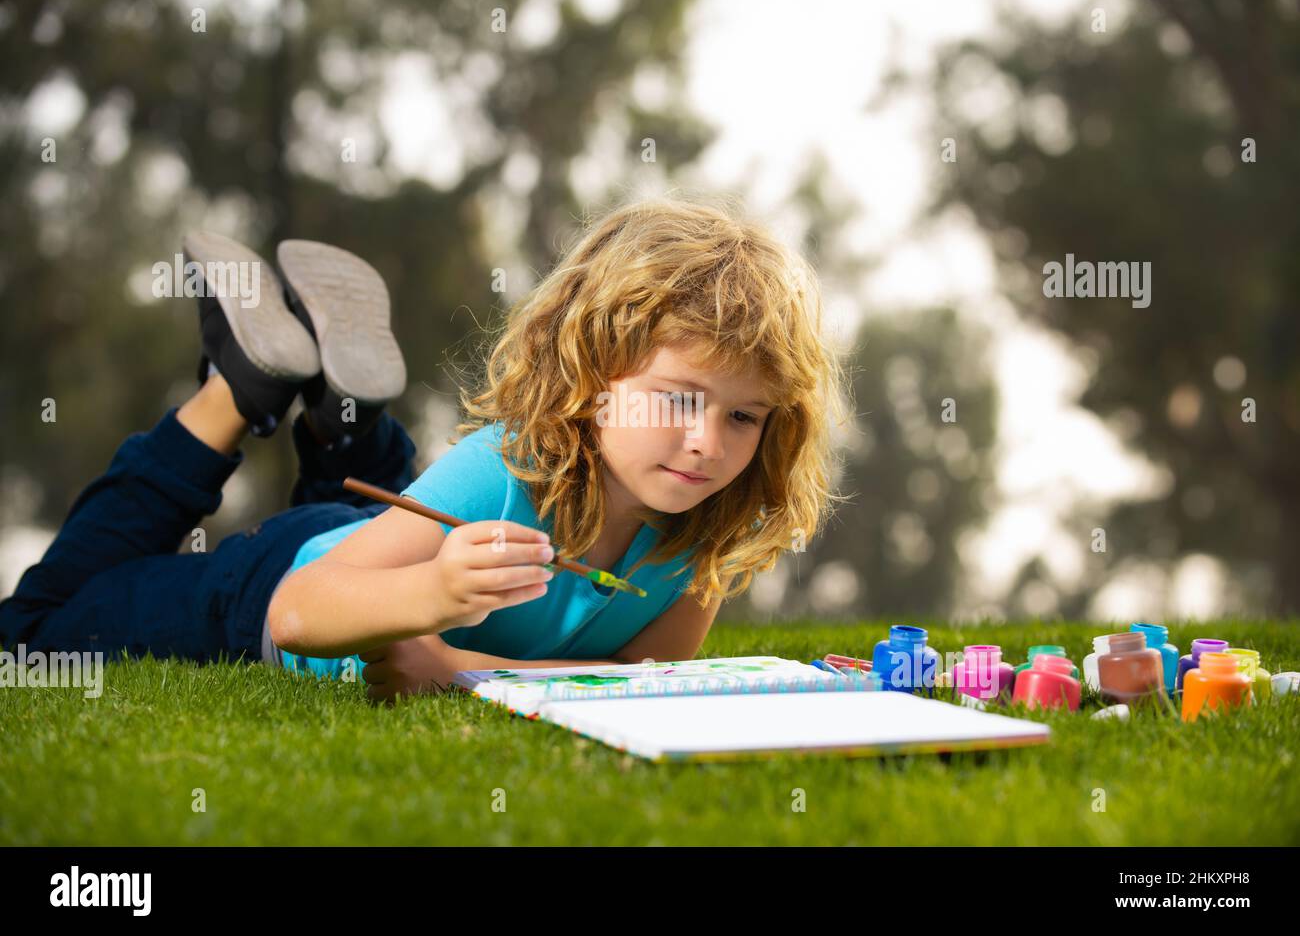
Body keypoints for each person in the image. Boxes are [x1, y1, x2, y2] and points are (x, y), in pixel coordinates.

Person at [1, 194, 851, 702]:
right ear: (595, 378)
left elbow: (635, 685)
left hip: (376, 527)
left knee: (378, 505)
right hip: (262, 588)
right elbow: (300, 611)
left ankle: (347, 416)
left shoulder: (702, 533)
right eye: (680, 399)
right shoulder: (507, 466)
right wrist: (434, 590)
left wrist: (456, 663)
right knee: (33, 637)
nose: (708, 444)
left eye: (745, 417)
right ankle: (237, 393)